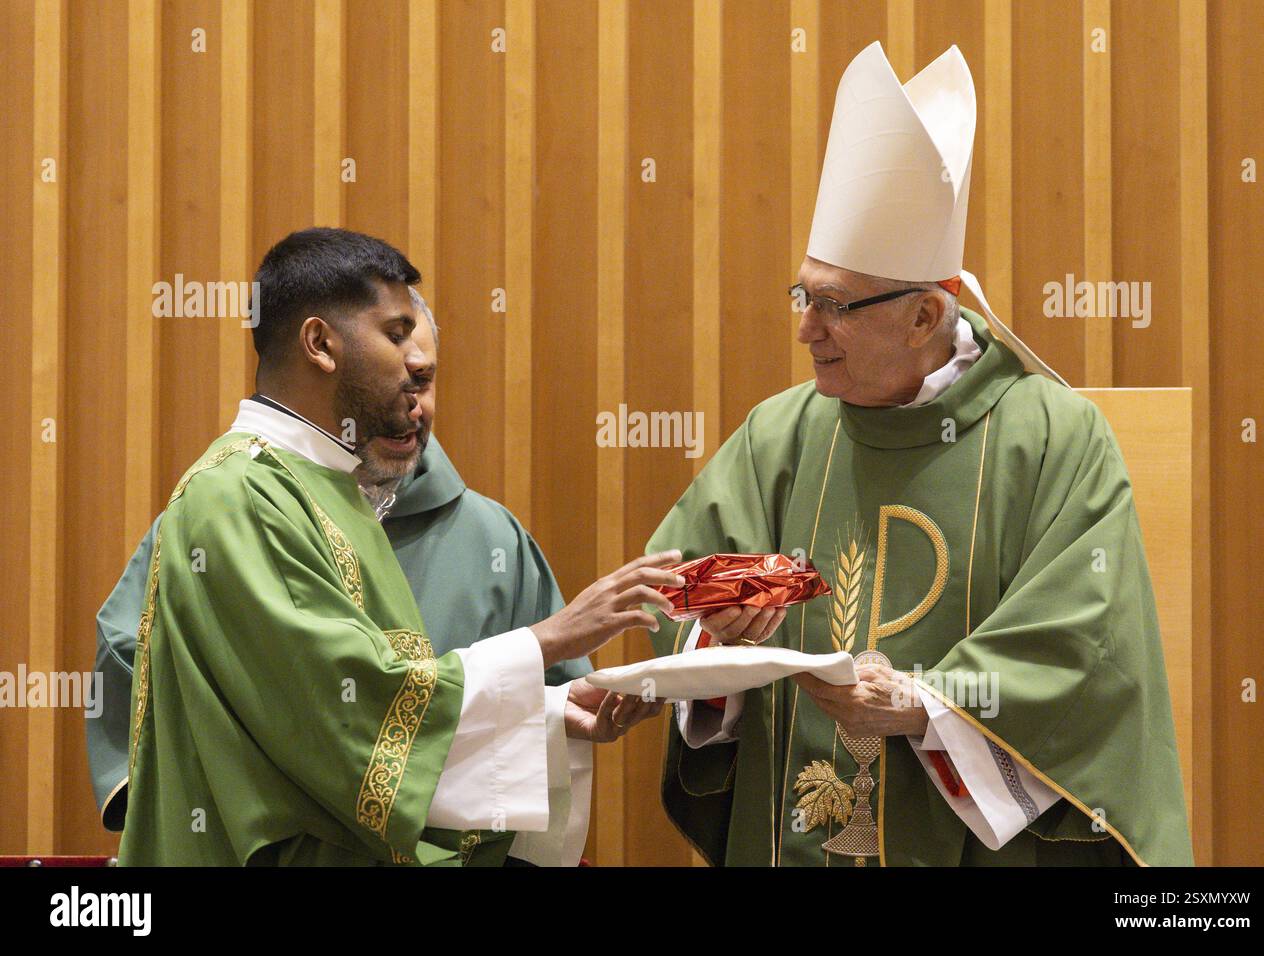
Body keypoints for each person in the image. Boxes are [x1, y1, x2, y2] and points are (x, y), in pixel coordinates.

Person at [644, 42, 1192, 867]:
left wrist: (931, 707)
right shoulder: (778, 436)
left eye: (832, 304)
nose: (804, 328)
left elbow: (1085, 651)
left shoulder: (1053, 439)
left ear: (925, 317)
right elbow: (673, 588)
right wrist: (719, 642)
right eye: (803, 294)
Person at [115, 227, 675, 865]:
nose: (420, 362)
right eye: (395, 331)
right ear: (320, 344)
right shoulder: (239, 495)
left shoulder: (326, 487)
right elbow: (343, 709)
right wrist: (548, 641)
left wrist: (546, 714)